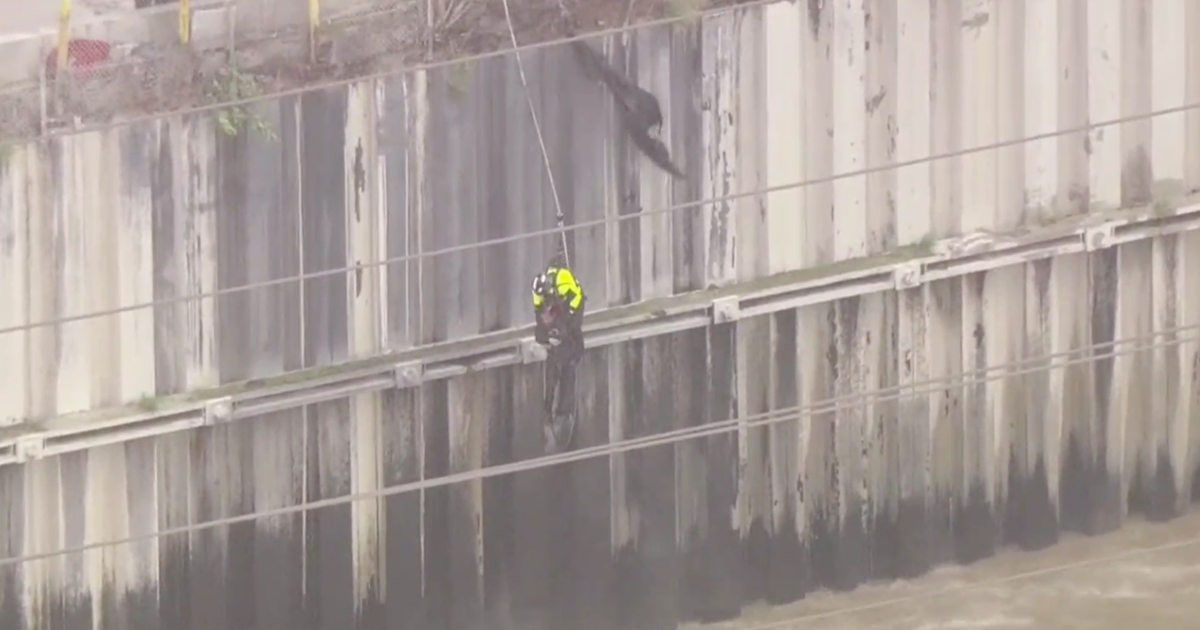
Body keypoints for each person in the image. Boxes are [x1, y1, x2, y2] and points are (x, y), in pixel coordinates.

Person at [531, 256, 586, 365]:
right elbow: (538, 309)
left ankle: (576, 353)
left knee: (572, 326)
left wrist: (570, 312)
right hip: (558, 300)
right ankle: (553, 350)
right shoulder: (537, 292)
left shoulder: (562, 280)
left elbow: (575, 296)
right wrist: (544, 324)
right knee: (543, 329)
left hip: (574, 299)